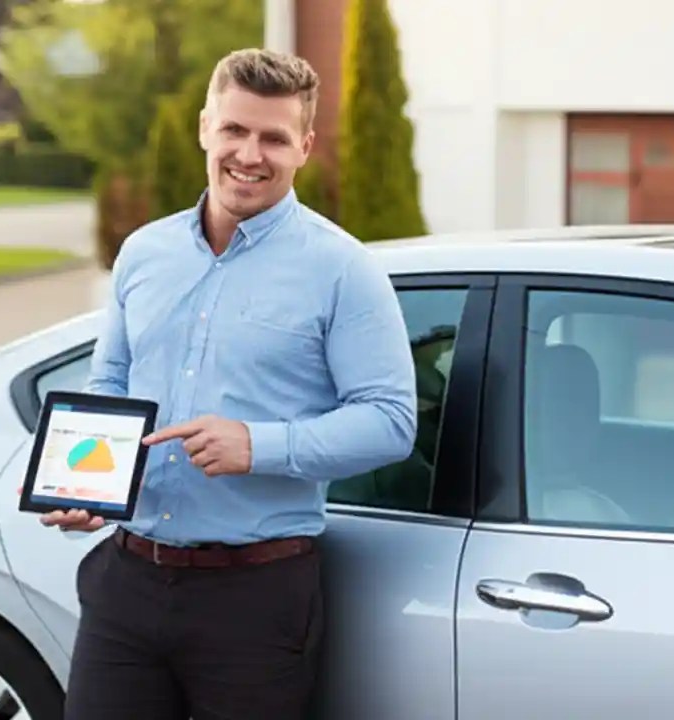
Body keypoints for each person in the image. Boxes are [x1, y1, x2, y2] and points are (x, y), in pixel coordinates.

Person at [40, 48, 418, 720]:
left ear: (303, 147)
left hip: (257, 598)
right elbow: (112, 381)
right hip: (126, 582)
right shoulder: (144, 253)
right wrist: (87, 487)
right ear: (205, 128)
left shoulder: (343, 270)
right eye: (235, 130)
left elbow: (390, 420)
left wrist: (259, 445)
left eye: (274, 138)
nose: (250, 153)